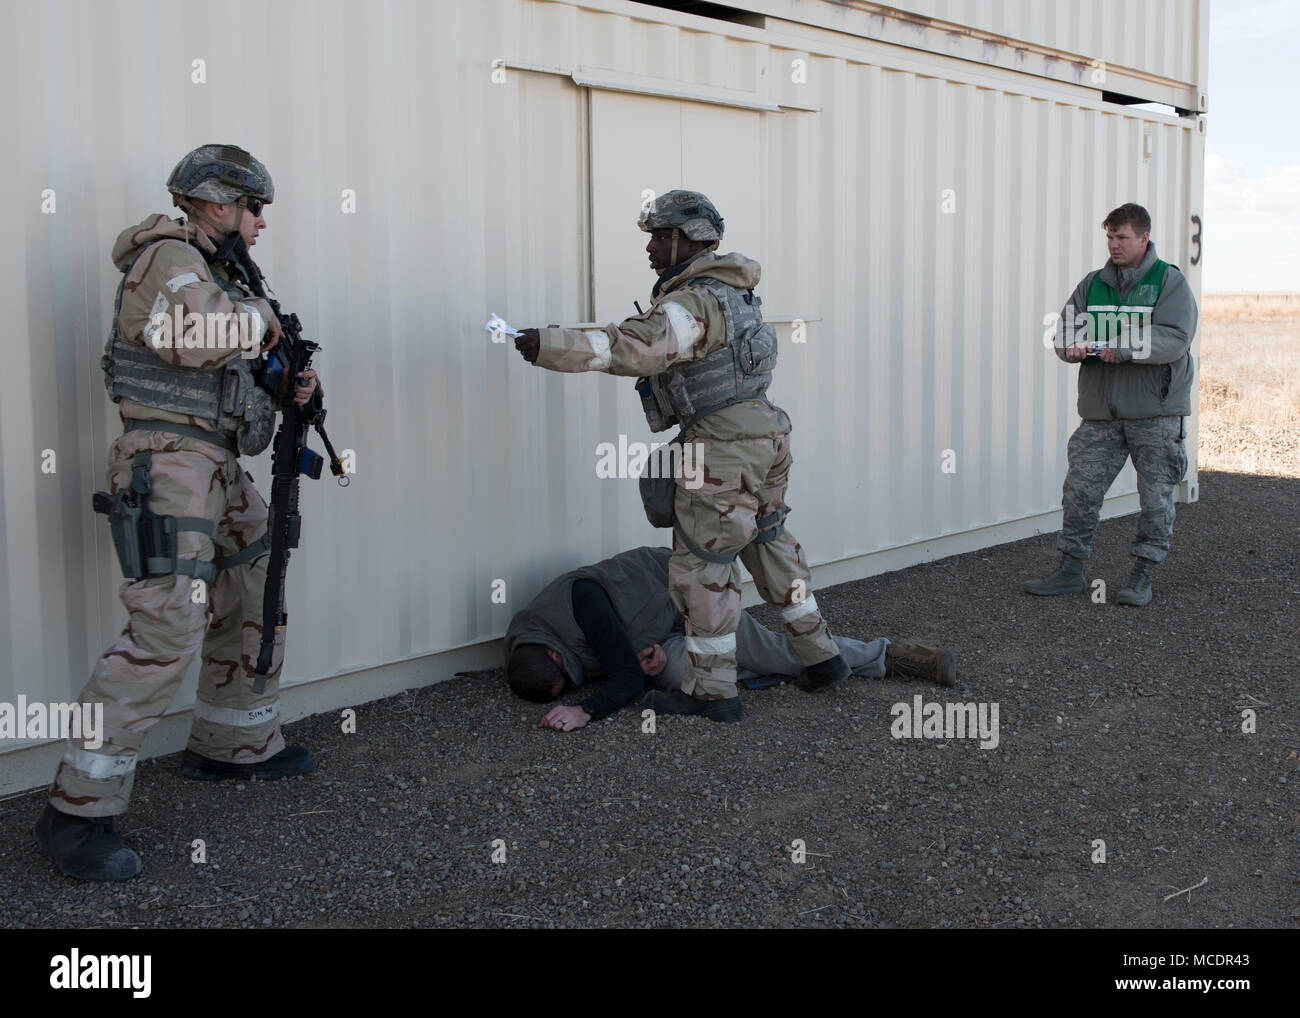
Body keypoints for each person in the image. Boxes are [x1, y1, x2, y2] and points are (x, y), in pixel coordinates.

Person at [34, 145, 321, 881]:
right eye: (256, 208)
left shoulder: (219, 273)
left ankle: (233, 745)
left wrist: (290, 382)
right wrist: (262, 322)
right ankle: (77, 809)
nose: (261, 224)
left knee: (256, 578)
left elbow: (237, 364)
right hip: (168, 462)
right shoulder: (170, 259)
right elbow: (194, 337)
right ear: (219, 202)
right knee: (167, 622)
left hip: (217, 462)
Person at [512, 191, 851, 723]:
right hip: (766, 433)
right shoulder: (736, 294)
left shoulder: (694, 301)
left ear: (688, 237)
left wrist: (547, 345)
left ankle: (712, 695)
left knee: (701, 567)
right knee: (771, 543)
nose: (649, 247)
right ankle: (822, 657)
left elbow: (636, 347)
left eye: (658, 236)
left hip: (721, 445)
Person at [505, 546, 957, 732]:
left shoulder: (580, 602)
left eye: (570, 673)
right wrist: (653, 665)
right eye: (574, 683)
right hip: (665, 633)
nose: (578, 676)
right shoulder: (538, 642)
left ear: (552, 652)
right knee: (679, 675)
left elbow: (621, 676)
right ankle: (756, 671)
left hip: (694, 594)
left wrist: (586, 710)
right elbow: (625, 665)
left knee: (770, 650)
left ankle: (889, 657)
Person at [1025, 203, 1198, 607]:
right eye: (1109, 236)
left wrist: (1124, 348)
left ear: (1144, 238)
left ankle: (1142, 575)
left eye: (1122, 237)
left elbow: (1175, 336)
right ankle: (1070, 570)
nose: (1114, 245)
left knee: (1155, 498)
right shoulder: (1092, 284)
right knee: (1080, 490)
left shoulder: (1169, 281)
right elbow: (1065, 330)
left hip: (1155, 412)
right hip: (1101, 412)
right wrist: (1070, 348)